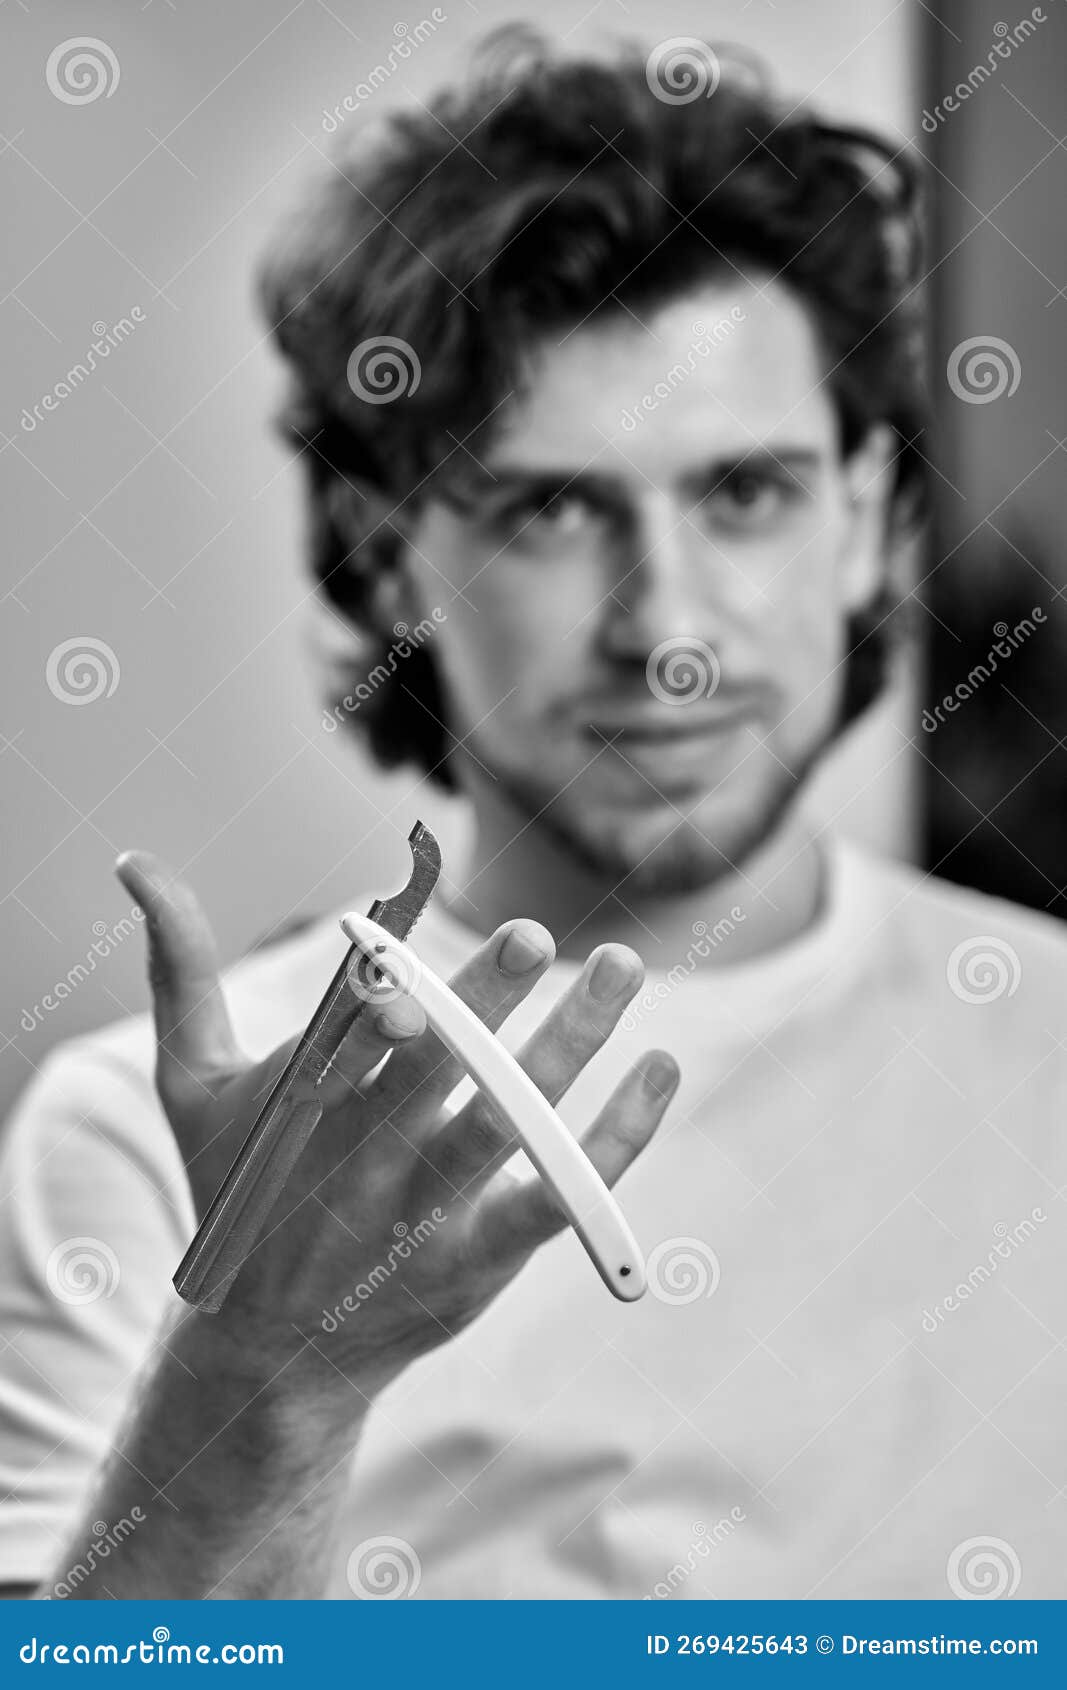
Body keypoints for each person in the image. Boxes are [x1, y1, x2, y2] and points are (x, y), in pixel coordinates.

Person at [2, 26, 1065, 1602]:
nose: (669, 628)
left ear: (868, 523)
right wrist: (265, 1377)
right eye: (554, 507)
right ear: (384, 557)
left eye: (745, 492)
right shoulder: (155, 1148)